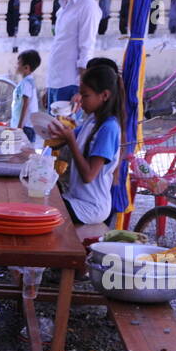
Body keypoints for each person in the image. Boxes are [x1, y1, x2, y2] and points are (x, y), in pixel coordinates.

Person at [61, 62, 123, 227]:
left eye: (86, 95)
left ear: (104, 95)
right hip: (75, 198)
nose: (80, 101)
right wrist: (57, 127)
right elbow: (62, 138)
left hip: (90, 207)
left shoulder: (108, 128)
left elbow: (88, 176)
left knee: (42, 211)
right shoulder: (92, 120)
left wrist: (71, 141)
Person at [48, 0, 96, 108]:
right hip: (56, 81)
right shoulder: (63, 6)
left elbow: (86, 50)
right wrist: (50, 85)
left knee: (66, 127)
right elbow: (60, 46)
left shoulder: (87, 6)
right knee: (51, 127)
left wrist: (82, 90)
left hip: (71, 84)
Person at [11, 49, 40, 143]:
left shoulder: (26, 83)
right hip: (28, 125)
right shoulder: (29, 81)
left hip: (25, 126)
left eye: (18, 63)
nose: (16, 65)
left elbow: (25, 105)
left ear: (26, 68)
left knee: (22, 152)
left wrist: (20, 127)